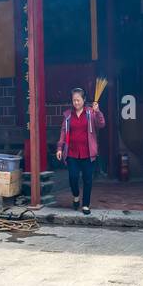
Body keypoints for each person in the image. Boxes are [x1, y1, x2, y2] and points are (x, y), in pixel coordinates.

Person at [55, 87, 105, 216]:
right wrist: (60, 148)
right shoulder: (67, 115)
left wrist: (98, 111)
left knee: (88, 179)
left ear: (84, 100)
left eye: (78, 100)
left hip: (88, 153)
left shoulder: (91, 113)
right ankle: (76, 195)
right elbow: (63, 132)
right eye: (74, 100)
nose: (76, 103)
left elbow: (101, 124)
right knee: (73, 177)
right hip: (72, 152)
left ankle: (85, 205)